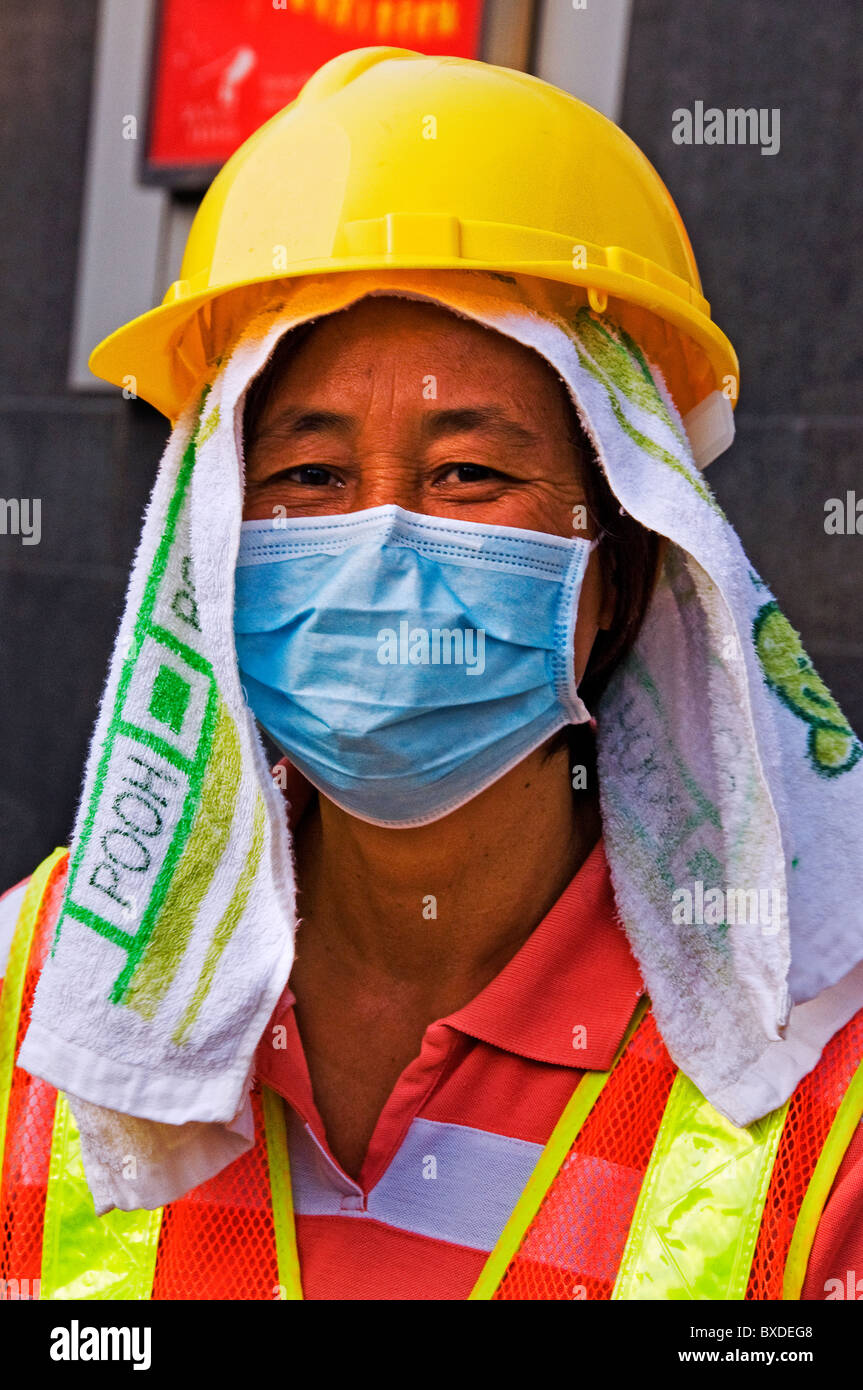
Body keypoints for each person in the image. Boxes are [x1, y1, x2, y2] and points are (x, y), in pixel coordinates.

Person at [2, 46, 862, 1303]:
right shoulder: (46, 982)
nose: (379, 548)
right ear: (207, 556)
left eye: (467, 474)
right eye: (306, 478)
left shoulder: (812, 1074)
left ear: (619, 569)